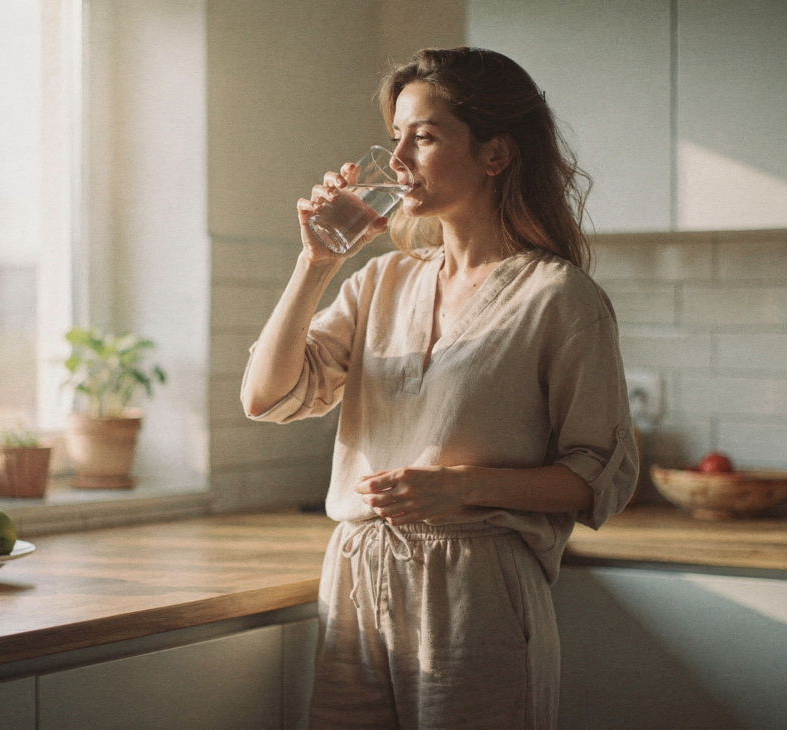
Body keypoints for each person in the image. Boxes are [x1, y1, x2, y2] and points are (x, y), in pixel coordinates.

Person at [240, 47, 638, 730]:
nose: (398, 159)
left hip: (477, 591)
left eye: (423, 137)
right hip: (358, 582)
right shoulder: (380, 283)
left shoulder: (560, 299)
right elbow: (267, 396)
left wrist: (462, 488)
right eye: (395, 137)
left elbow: (599, 478)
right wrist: (316, 264)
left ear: (495, 154)